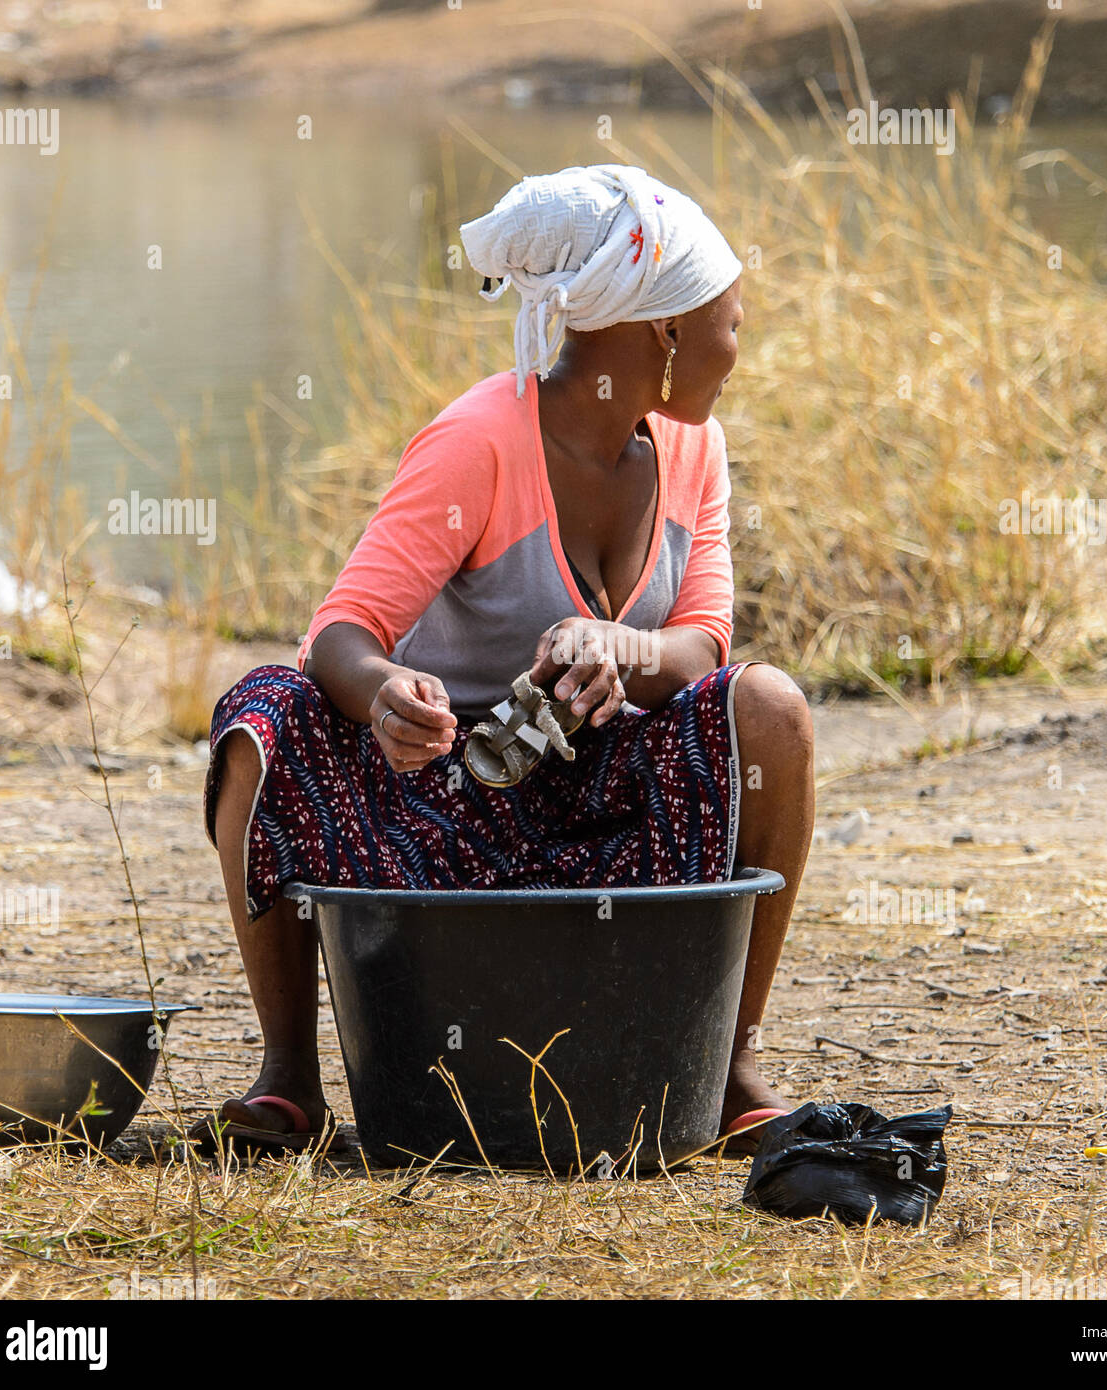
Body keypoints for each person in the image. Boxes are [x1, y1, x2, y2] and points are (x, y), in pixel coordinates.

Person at [191, 164, 815, 1155]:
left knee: (770, 708)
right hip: (442, 804)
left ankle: (726, 1066)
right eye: (729, 321)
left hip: (603, 799)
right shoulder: (477, 442)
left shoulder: (697, 451)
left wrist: (619, 647)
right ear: (661, 329)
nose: (738, 348)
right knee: (267, 708)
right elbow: (339, 635)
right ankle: (289, 1080)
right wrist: (390, 694)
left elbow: (701, 646)